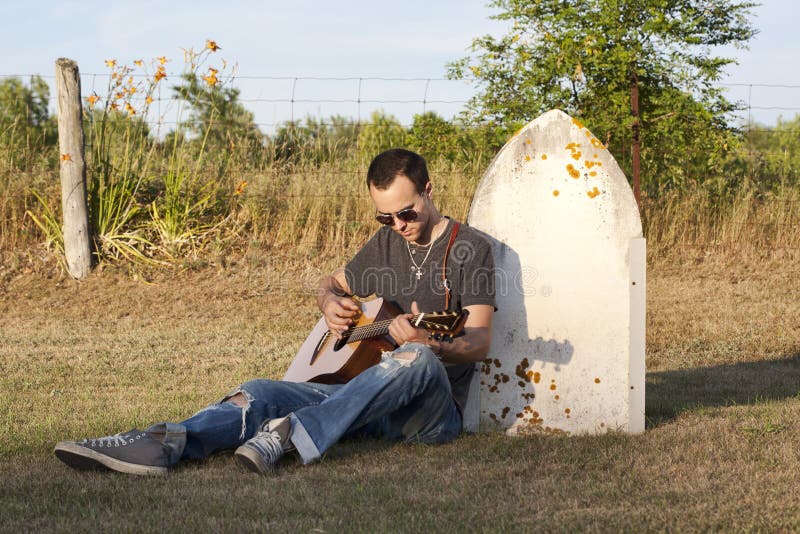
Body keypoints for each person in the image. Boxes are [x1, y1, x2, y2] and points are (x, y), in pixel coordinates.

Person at [54, 148, 496, 475]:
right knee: (260, 390)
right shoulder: (385, 243)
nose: (397, 225)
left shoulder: (470, 249)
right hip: (356, 403)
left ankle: (292, 432)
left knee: (417, 358)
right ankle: (161, 441)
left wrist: (431, 343)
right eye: (385, 218)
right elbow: (330, 283)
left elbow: (478, 342)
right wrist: (328, 304)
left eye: (405, 213)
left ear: (428, 190)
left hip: (427, 415)